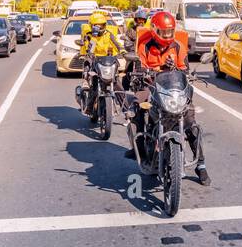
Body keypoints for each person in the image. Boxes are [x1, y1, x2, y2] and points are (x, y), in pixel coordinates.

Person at [126, 11, 209, 184]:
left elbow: (184, 69)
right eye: (164, 32)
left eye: (170, 32)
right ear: (155, 30)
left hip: (173, 89)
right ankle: (138, 148)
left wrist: (178, 70)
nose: (167, 36)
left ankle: (200, 165)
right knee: (137, 107)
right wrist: (149, 71)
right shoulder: (145, 46)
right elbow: (141, 66)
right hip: (151, 85)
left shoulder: (178, 46)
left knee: (190, 123)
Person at [78, 12, 122, 119]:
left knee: (118, 84)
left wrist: (123, 51)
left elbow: (117, 44)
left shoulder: (108, 34)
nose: (99, 27)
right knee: (92, 82)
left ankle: (126, 110)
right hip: (94, 61)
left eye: (101, 25)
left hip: (107, 61)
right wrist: (94, 36)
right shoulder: (88, 36)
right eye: (96, 26)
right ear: (91, 26)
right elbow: (90, 50)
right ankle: (88, 103)